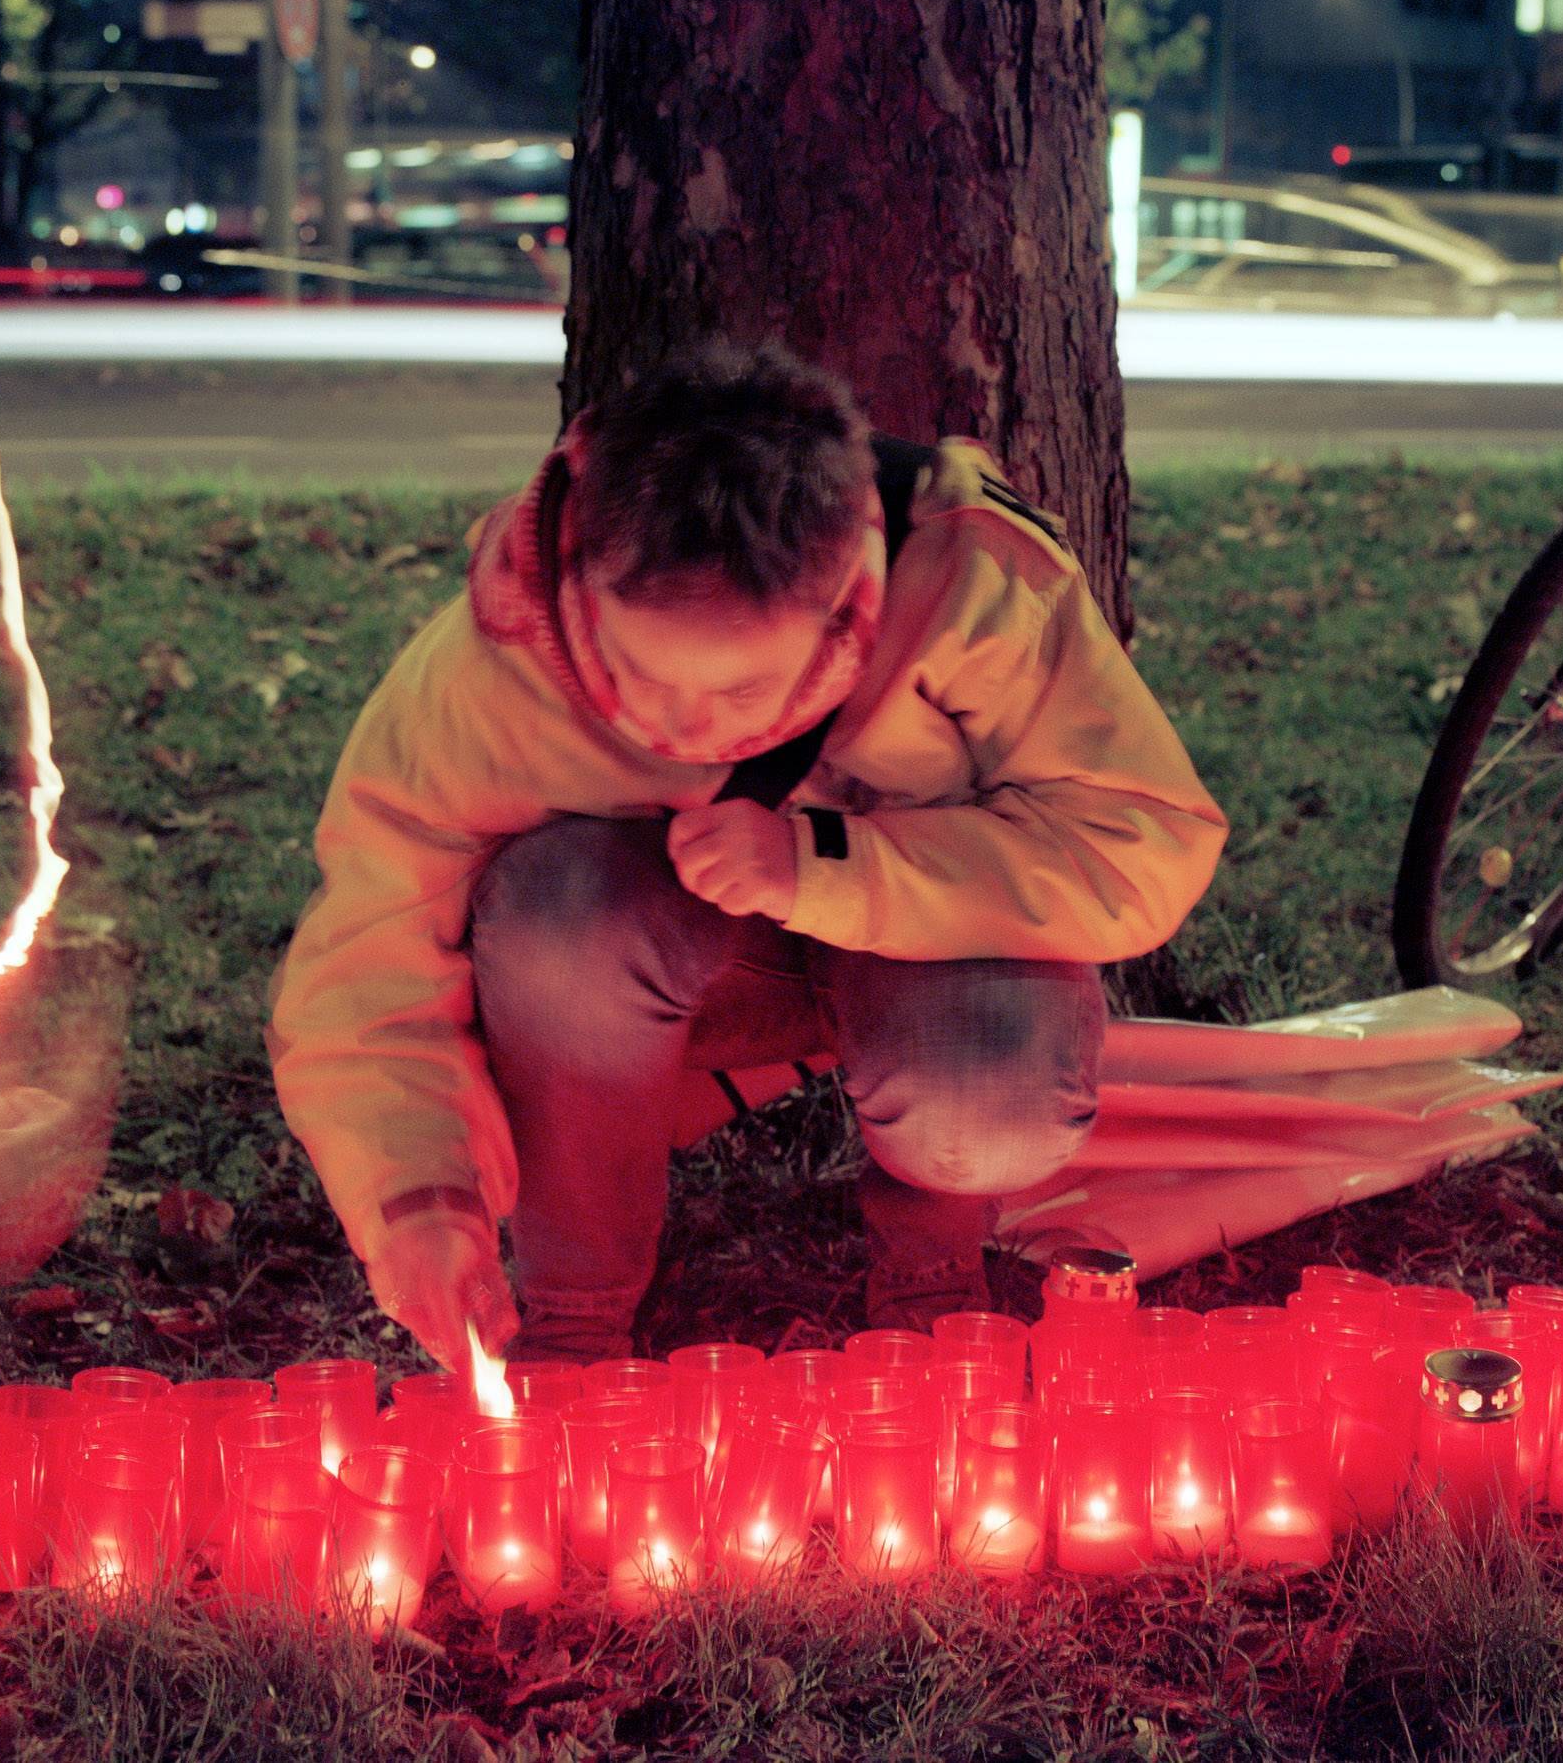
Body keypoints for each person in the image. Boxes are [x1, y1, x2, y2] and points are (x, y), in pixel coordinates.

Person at [268, 342, 1226, 1367]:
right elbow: (369, 948)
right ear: (581, 578)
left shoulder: (969, 583)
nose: (680, 728)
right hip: (642, 967)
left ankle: (932, 1282)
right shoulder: (498, 655)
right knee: (554, 912)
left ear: (842, 615)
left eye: (737, 694)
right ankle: (575, 1321)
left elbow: (1138, 842)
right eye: (636, 672)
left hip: (931, 957)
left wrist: (820, 865)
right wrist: (417, 1197)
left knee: (987, 1096)